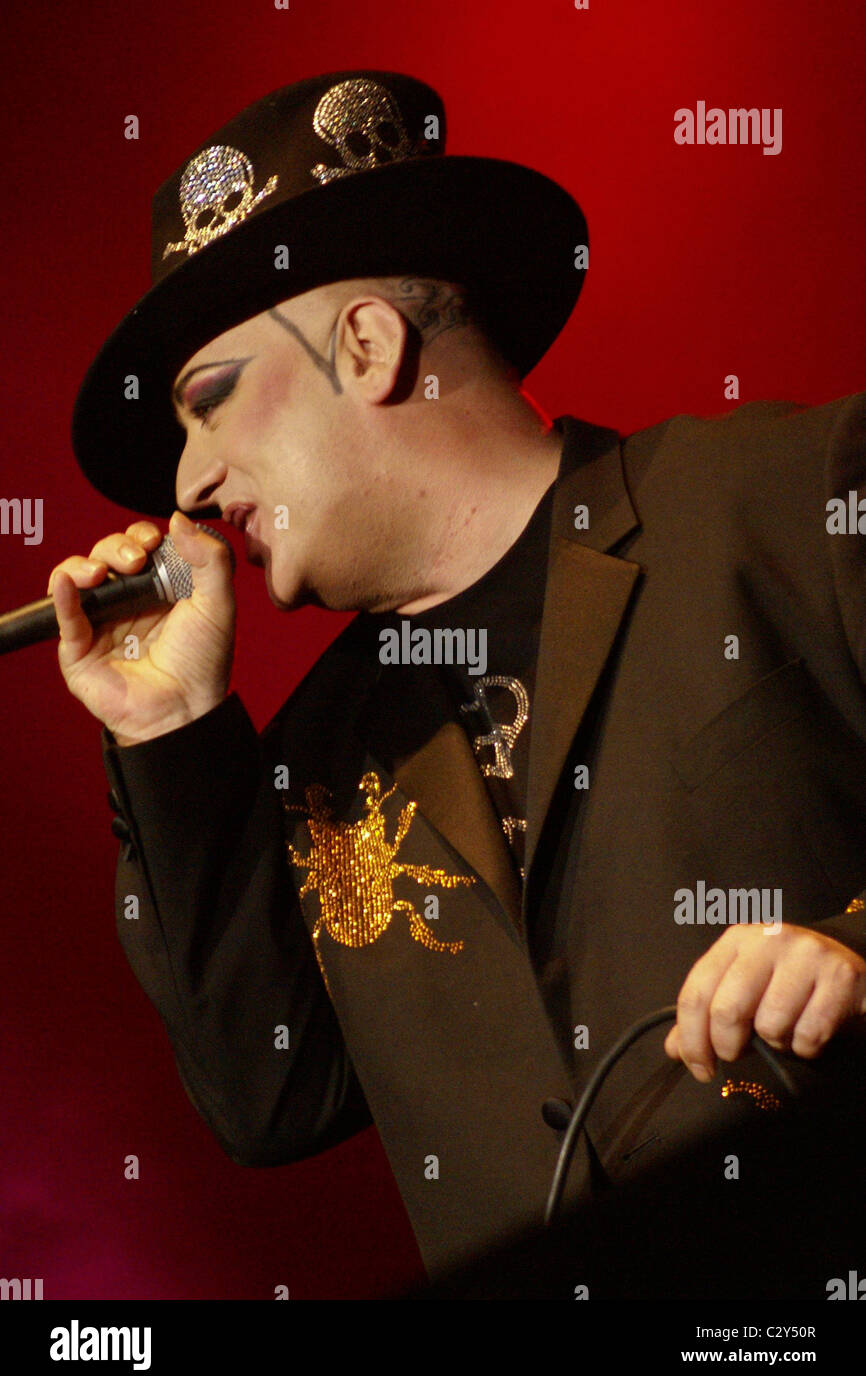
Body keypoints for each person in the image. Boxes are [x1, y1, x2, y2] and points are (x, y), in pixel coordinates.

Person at [51, 69, 866, 1291]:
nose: (189, 484)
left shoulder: (796, 495)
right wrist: (171, 728)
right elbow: (268, 1101)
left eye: (207, 407)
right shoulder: (315, 756)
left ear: (367, 348)